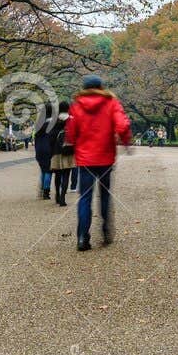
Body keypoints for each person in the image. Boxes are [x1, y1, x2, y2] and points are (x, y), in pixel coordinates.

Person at [66, 75, 132, 252]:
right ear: (101, 87)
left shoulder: (77, 105)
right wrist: (126, 142)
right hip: (105, 157)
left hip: (85, 159)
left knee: (85, 198)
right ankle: (105, 230)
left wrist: (74, 143)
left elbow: (71, 132)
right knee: (104, 195)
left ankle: (82, 237)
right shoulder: (111, 103)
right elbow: (123, 126)